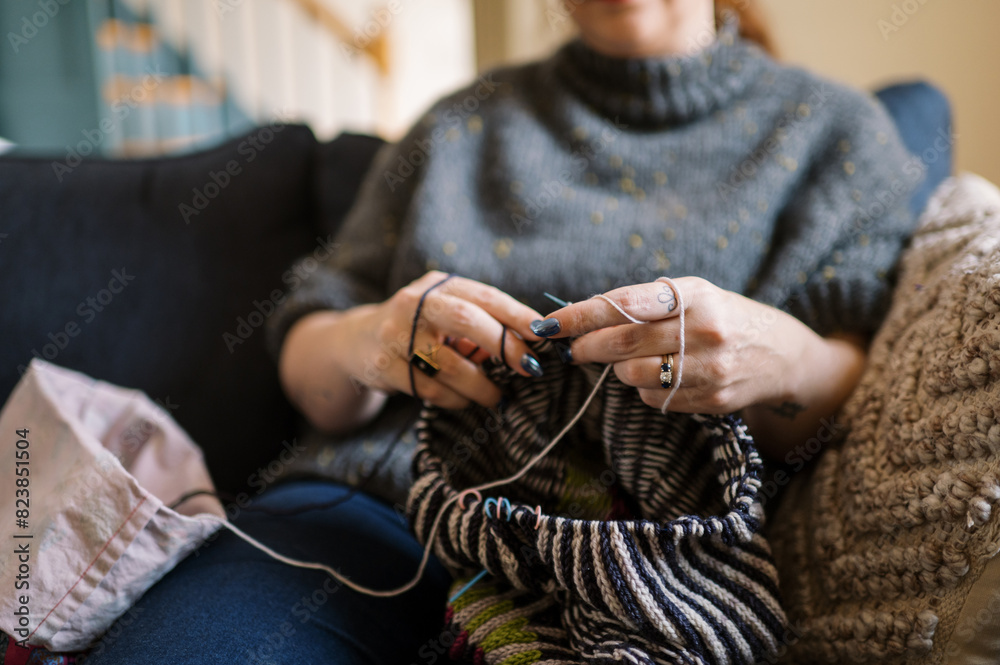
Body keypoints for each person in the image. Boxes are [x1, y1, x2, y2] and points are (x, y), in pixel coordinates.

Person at [83, 1, 945, 662]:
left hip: (645, 559)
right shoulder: (460, 123)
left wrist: (782, 357)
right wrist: (368, 341)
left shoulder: (836, 136)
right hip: (369, 513)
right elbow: (309, 364)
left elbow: (837, 407)